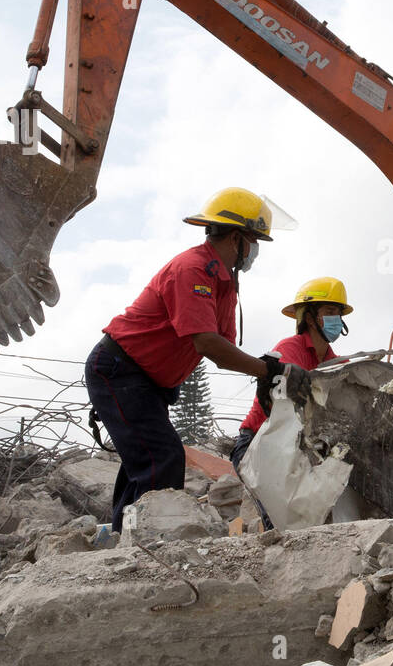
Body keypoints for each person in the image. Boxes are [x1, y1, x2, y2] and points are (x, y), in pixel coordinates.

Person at [85, 187, 302, 532]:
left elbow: (224, 349)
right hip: (120, 370)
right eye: (254, 240)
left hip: (145, 382)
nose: (256, 250)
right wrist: (266, 371)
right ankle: (144, 544)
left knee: (144, 459)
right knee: (162, 458)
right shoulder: (192, 270)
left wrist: (265, 368)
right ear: (236, 239)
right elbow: (207, 344)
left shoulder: (225, 284)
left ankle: (119, 537)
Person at [230, 276, 353, 469]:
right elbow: (289, 405)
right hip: (257, 441)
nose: (336, 319)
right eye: (330, 312)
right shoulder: (290, 349)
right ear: (310, 319)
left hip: (300, 446)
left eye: (339, 313)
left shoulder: (338, 363)